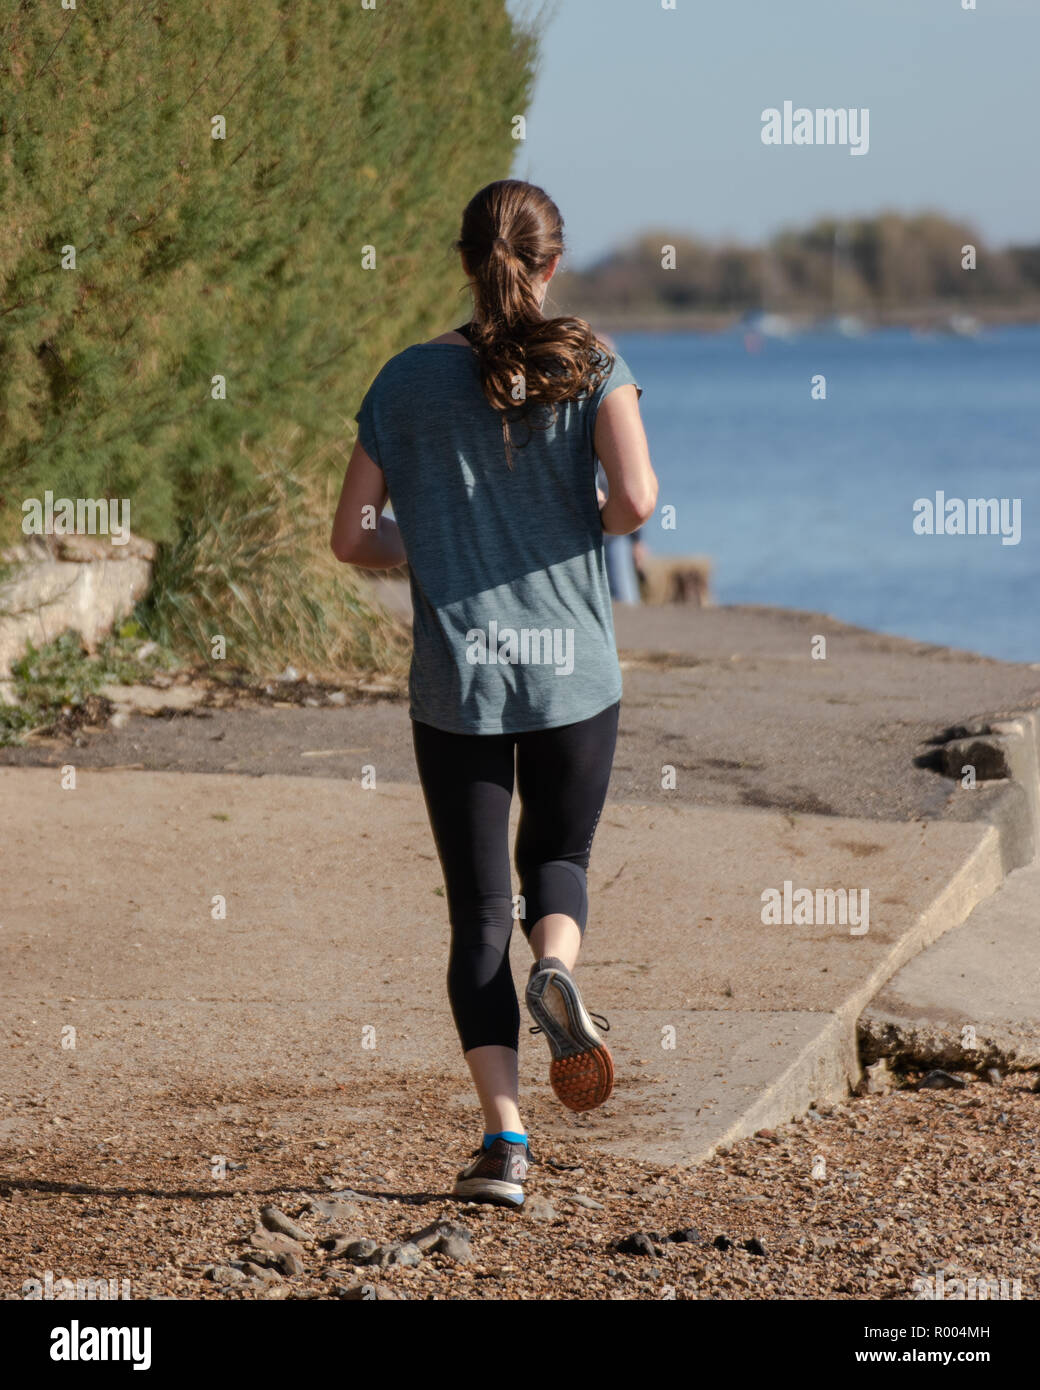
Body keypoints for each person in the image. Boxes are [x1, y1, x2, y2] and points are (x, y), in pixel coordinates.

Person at [331, 179, 656, 1208]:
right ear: (549, 261)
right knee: (555, 859)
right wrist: (573, 521)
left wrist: (425, 540)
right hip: (572, 674)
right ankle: (555, 962)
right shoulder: (591, 362)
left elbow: (350, 538)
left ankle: (505, 1143)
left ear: (464, 260)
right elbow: (636, 502)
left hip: (457, 680)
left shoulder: (403, 382)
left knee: (475, 912)